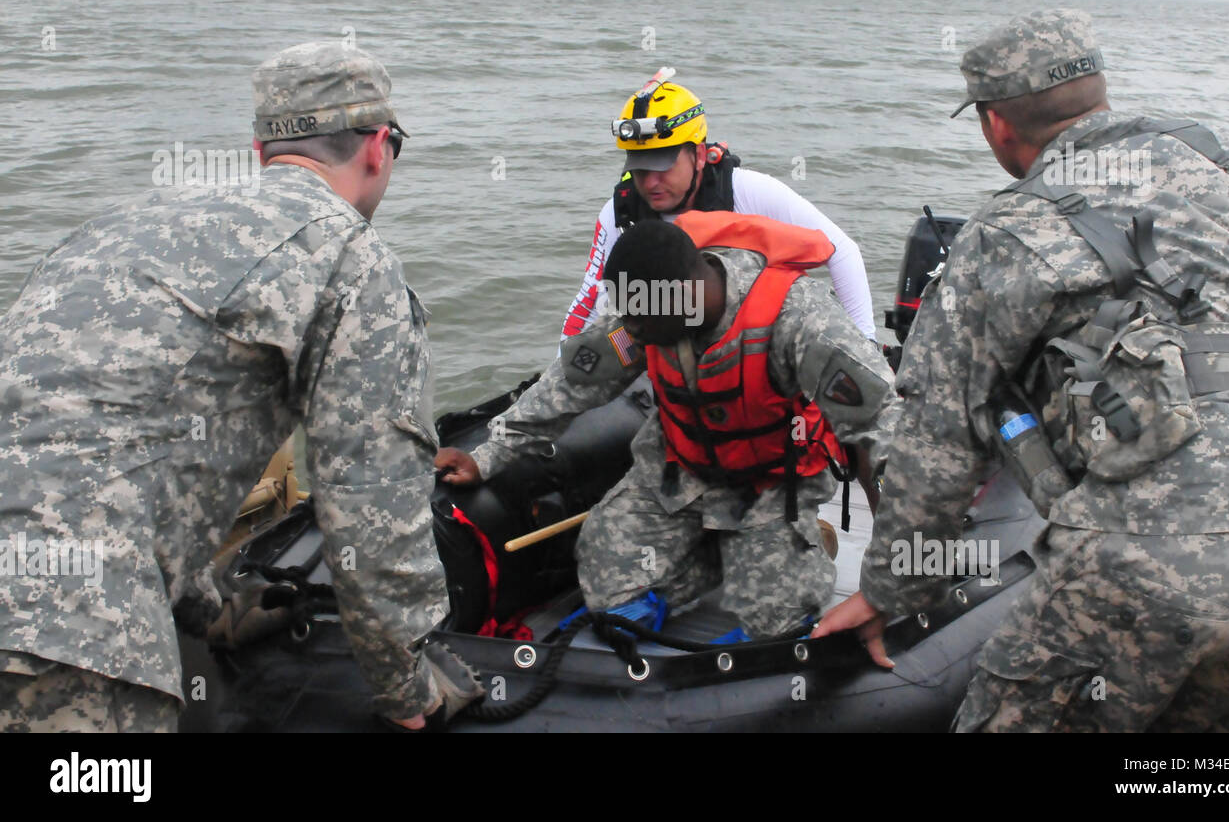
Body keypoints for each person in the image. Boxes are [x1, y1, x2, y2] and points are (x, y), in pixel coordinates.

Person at [816, 9, 1229, 732]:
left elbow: (937, 448)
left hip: (1151, 563)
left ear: (995, 125)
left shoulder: (1000, 235)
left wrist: (889, 587)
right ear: (1097, 89)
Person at [0, 41, 481, 732]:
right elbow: (370, 507)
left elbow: (98, 441)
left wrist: (207, 605)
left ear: (263, 150)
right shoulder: (349, 256)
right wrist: (412, 690)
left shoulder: (115, 226)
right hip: (66, 637)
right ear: (378, 147)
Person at [437, 212, 896, 638]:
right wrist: (488, 456)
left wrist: (892, 573)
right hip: (679, 474)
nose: (629, 331)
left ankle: (790, 550)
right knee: (604, 572)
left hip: (768, 490)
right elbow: (570, 383)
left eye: (638, 321)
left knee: (777, 621)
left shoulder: (798, 319)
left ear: (688, 294)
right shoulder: (647, 313)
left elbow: (883, 425)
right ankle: (717, 555)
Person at [562, 68, 878, 341]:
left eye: (664, 166)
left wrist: (865, 342)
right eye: (640, 168)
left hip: (753, 349)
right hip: (668, 347)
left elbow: (842, 252)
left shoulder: (749, 191)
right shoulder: (620, 213)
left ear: (699, 155)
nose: (650, 182)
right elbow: (591, 300)